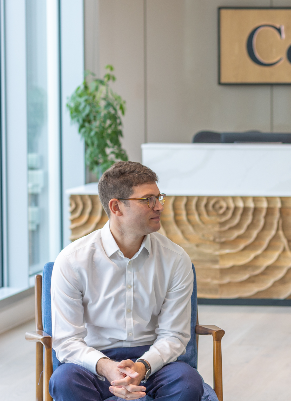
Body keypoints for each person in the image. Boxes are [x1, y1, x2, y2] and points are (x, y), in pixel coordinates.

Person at [49, 161, 204, 401]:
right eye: (147, 200)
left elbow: (174, 335)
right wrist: (106, 367)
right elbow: (67, 340)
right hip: (94, 363)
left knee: (187, 382)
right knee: (64, 380)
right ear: (116, 207)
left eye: (159, 197)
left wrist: (142, 366)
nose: (159, 206)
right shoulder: (72, 261)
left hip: (154, 364)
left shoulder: (175, 259)